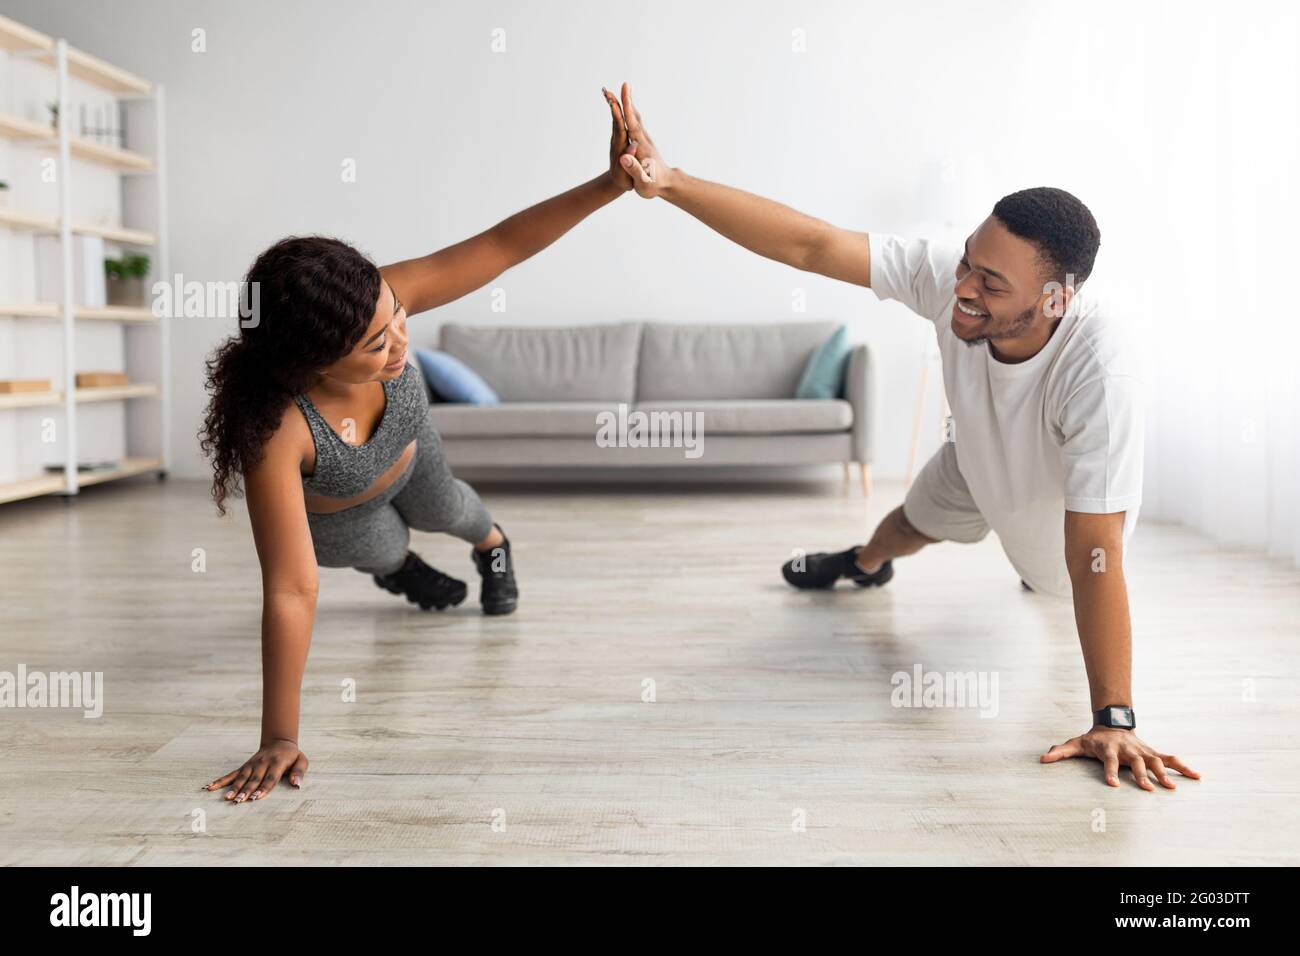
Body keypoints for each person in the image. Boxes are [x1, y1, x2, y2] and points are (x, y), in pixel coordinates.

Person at [607, 82, 1199, 793]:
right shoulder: (953, 276)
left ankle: (937, 565)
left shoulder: (1102, 367)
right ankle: (864, 564)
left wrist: (1116, 717)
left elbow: (1097, 551)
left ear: (1055, 300)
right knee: (910, 520)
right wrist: (668, 183)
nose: (963, 288)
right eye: (967, 263)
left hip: (1052, 517)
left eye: (990, 282)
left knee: (1041, 579)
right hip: (974, 456)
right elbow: (811, 243)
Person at [197, 91, 639, 803]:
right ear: (313, 363)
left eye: (396, 314)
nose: (401, 335)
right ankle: (399, 569)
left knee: (455, 511)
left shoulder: (379, 302)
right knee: (371, 549)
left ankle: (494, 542)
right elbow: (290, 584)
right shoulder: (277, 427)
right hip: (345, 511)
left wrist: (609, 183)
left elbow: (500, 246)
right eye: (377, 342)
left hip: (410, 453)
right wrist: (280, 734)